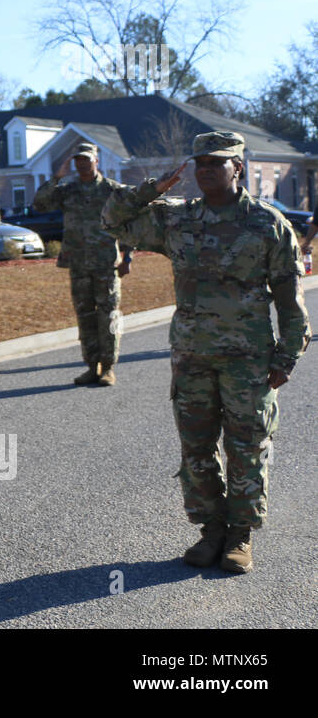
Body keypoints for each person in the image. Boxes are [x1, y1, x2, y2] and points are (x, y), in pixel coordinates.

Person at [102, 131, 311, 574]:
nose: (206, 170)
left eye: (216, 163)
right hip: (191, 357)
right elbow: (112, 219)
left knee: (247, 447)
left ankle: (240, 534)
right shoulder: (176, 219)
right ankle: (210, 529)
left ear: (238, 167)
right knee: (195, 448)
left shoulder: (268, 224)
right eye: (200, 163)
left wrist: (287, 356)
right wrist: (154, 188)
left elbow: (291, 301)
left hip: (249, 360)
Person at [33, 142, 132, 386]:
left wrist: (128, 256)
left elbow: (130, 222)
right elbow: (40, 204)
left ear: (96, 161)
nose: (81, 164)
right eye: (77, 160)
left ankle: (108, 367)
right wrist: (57, 176)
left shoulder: (112, 190)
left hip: (106, 264)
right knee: (85, 317)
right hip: (78, 264)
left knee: (109, 316)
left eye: (86, 159)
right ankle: (91, 366)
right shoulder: (68, 190)